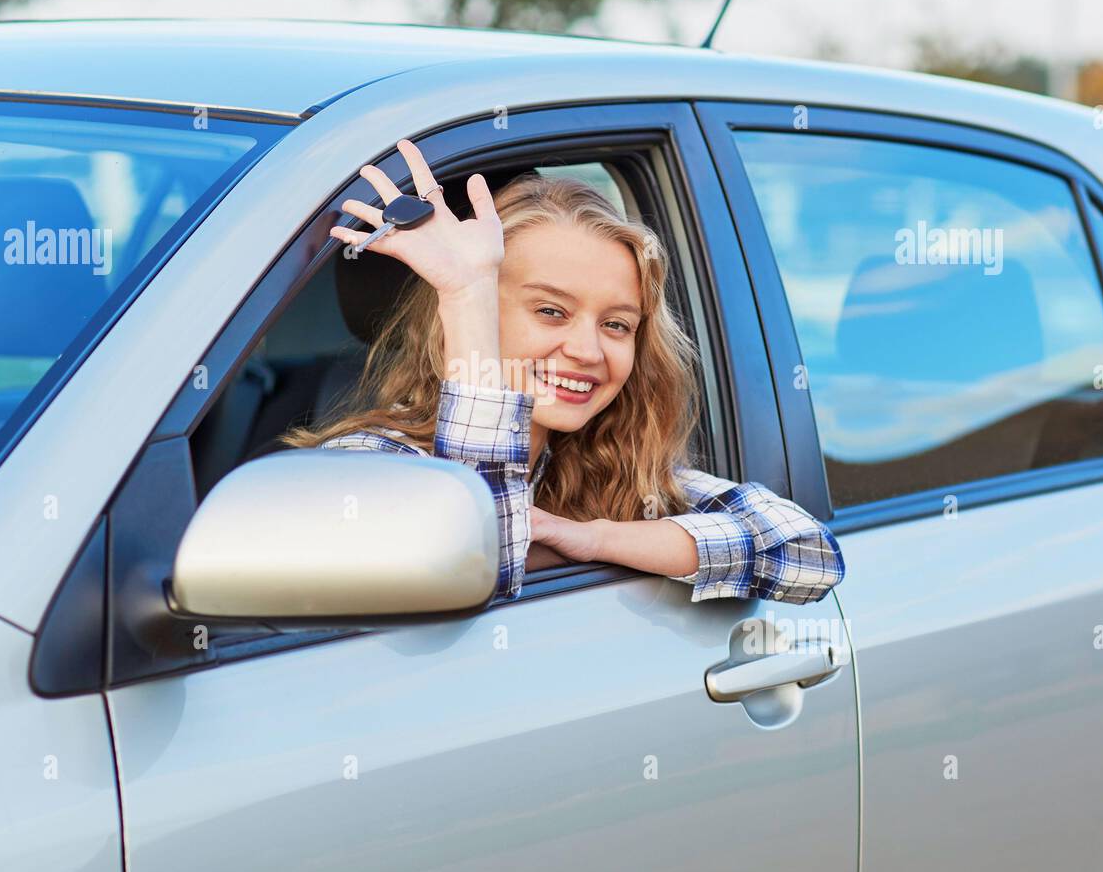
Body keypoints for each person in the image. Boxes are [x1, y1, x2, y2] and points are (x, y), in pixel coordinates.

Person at [278, 137, 844, 606]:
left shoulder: (603, 466)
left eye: (618, 325)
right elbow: (478, 564)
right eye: (551, 310)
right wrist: (468, 292)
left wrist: (589, 538)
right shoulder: (370, 464)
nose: (588, 350)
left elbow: (807, 552)